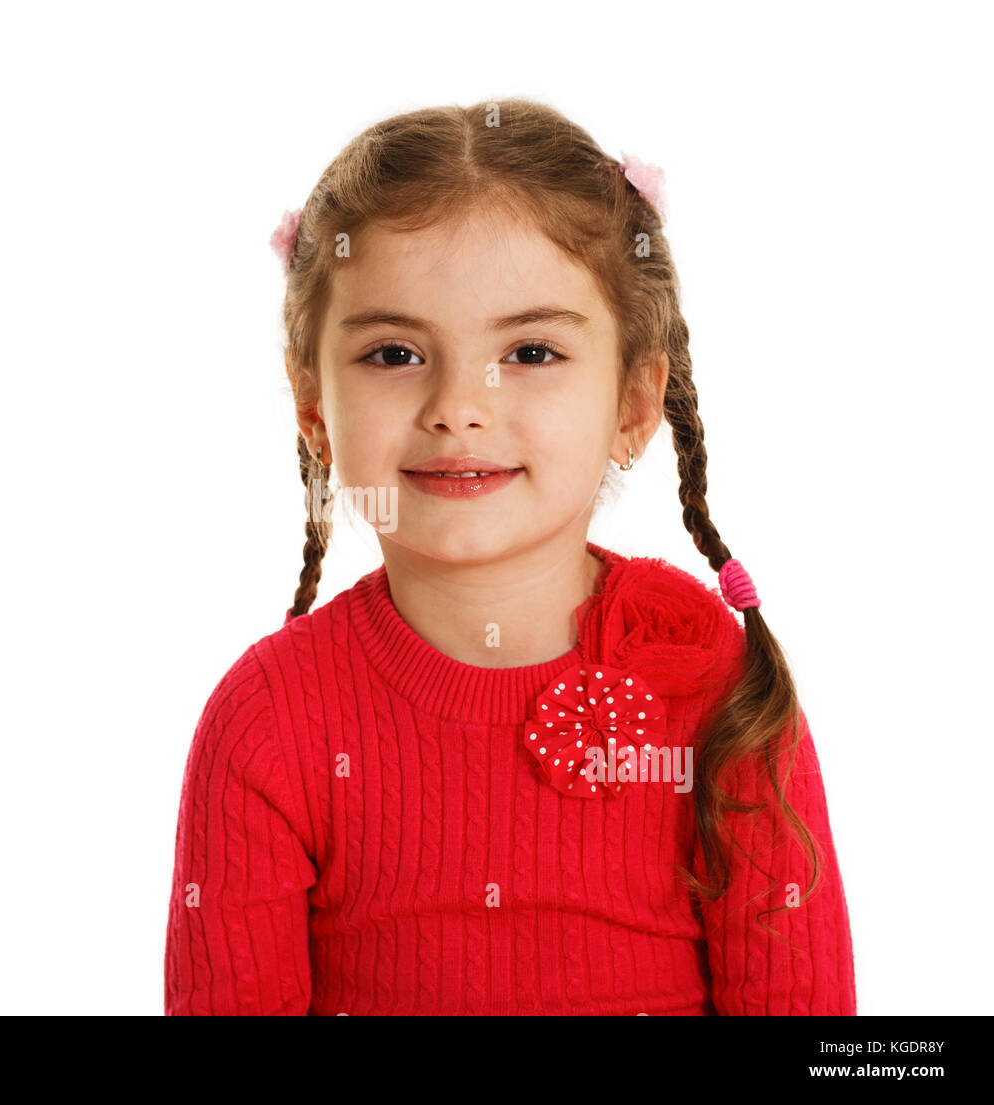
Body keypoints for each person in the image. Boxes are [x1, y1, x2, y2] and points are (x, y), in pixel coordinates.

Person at [164, 98, 856, 1015]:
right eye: (394, 351)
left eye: (530, 350)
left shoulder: (726, 700)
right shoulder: (265, 726)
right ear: (313, 408)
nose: (459, 405)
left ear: (633, 405)